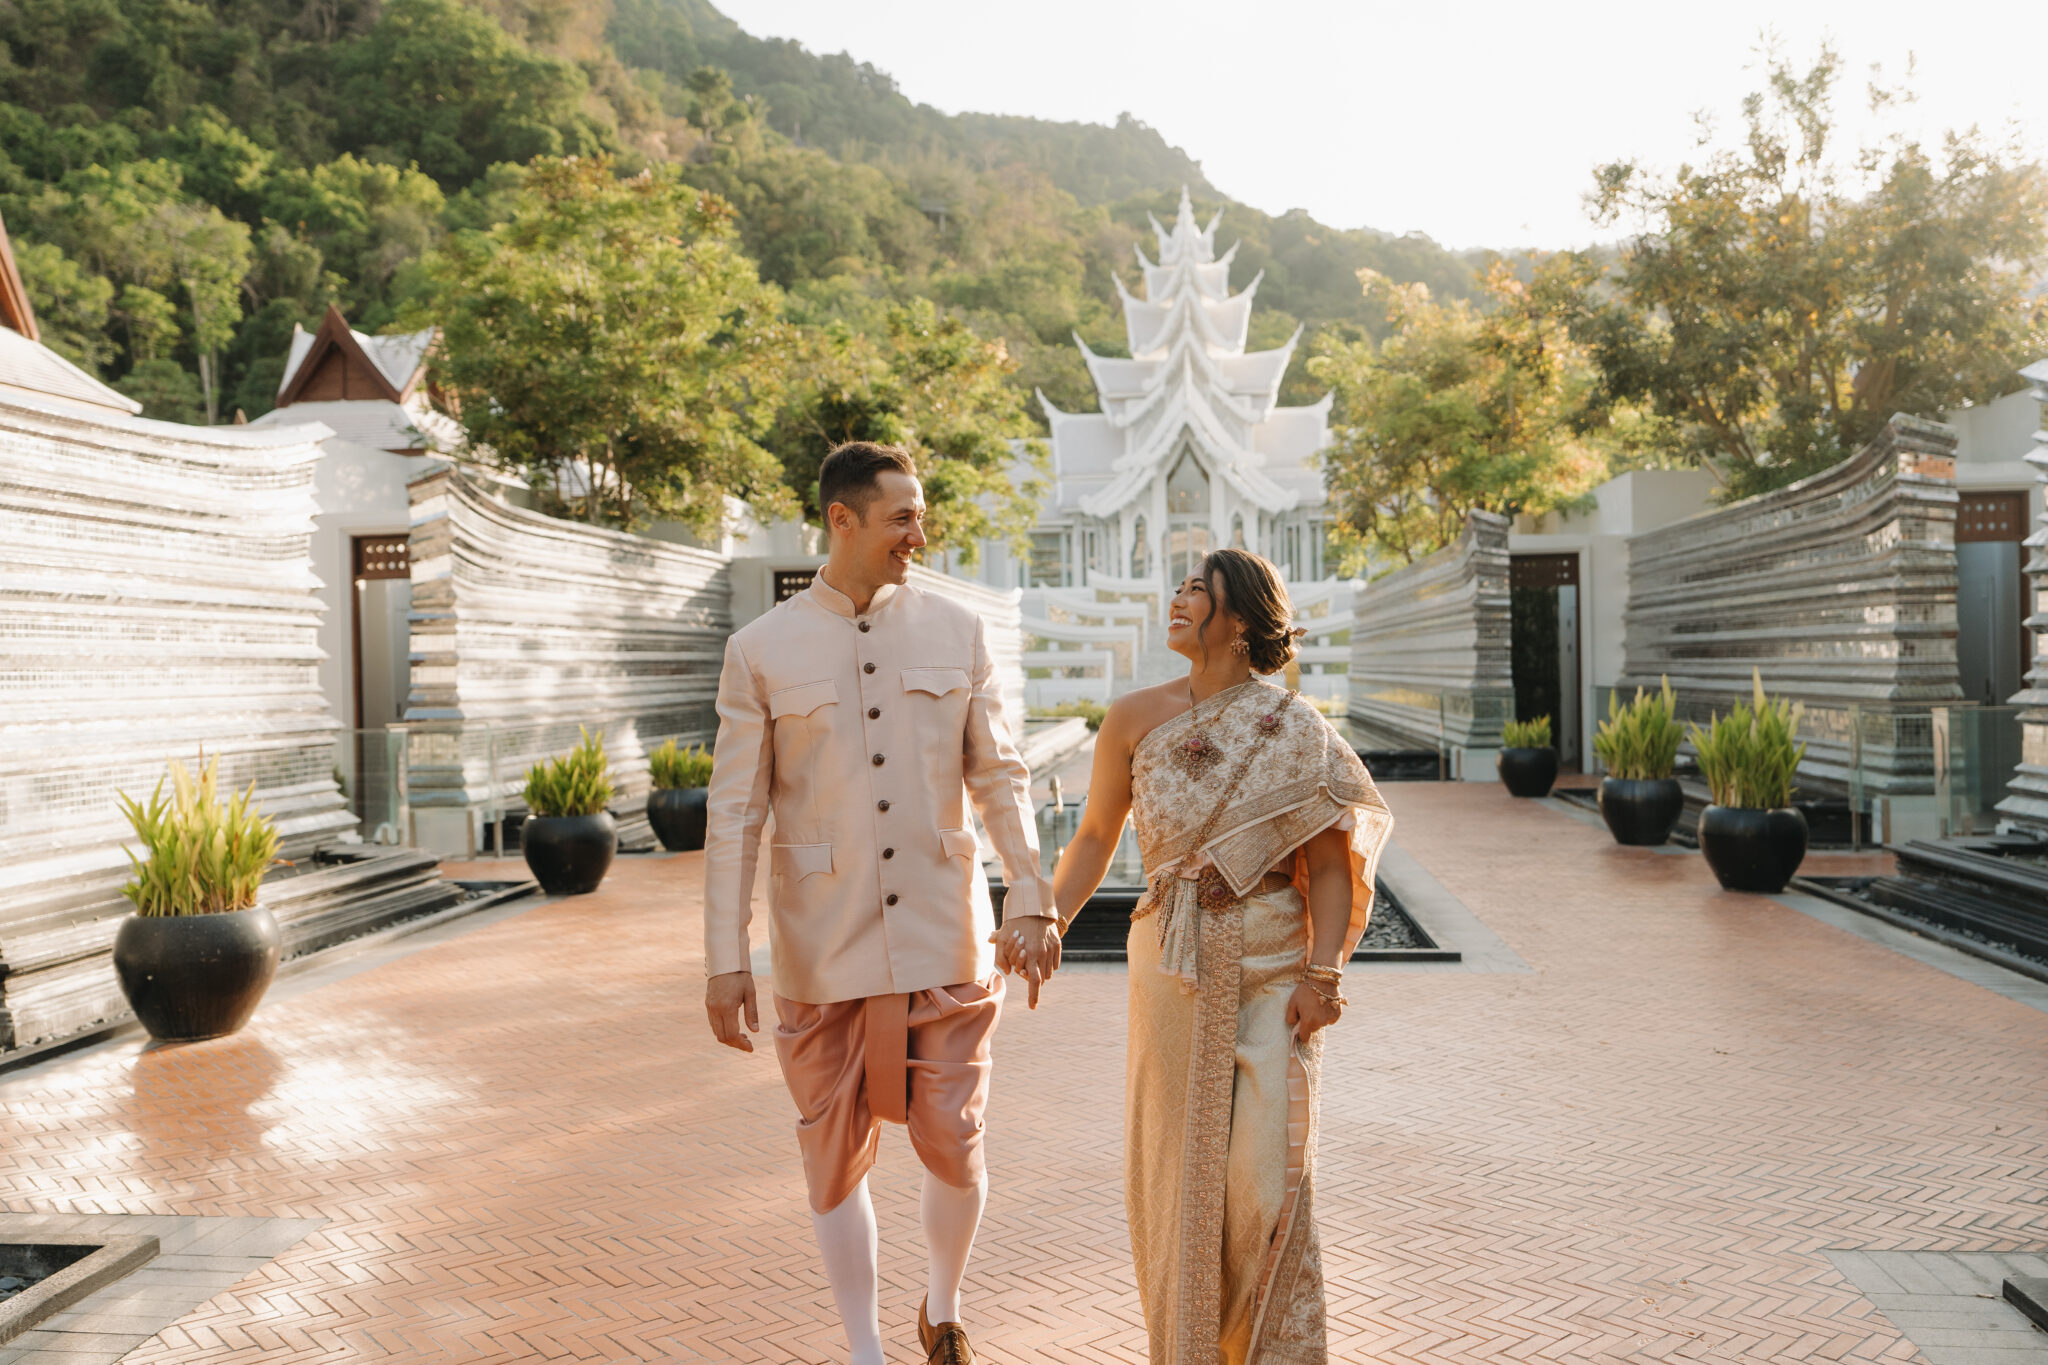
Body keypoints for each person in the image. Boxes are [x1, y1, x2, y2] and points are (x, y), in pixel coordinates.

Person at [701, 441, 1062, 1365]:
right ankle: (863, 1347)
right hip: (821, 941)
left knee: (956, 1138)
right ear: (842, 519)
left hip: (945, 928)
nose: (920, 532)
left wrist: (1030, 891)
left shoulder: (957, 628)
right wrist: (725, 956)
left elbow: (1002, 776)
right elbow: (735, 812)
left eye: (921, 513)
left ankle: (942, 1312)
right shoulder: (760, 650)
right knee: (831, 1152)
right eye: (903, 515)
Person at [1051, 548, 1393, 1364]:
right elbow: (1096, 835)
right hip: (1169, 969)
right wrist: (1044, 919)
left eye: (1197, 591)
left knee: (1264, 1187)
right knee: (1178, 1181)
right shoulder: (1132, 718)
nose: (1177, 599)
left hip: (1272, 971)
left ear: (1238, 622)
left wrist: (1324, 975)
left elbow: (1329, 865)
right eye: (1178, 587)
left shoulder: (1295, 728)